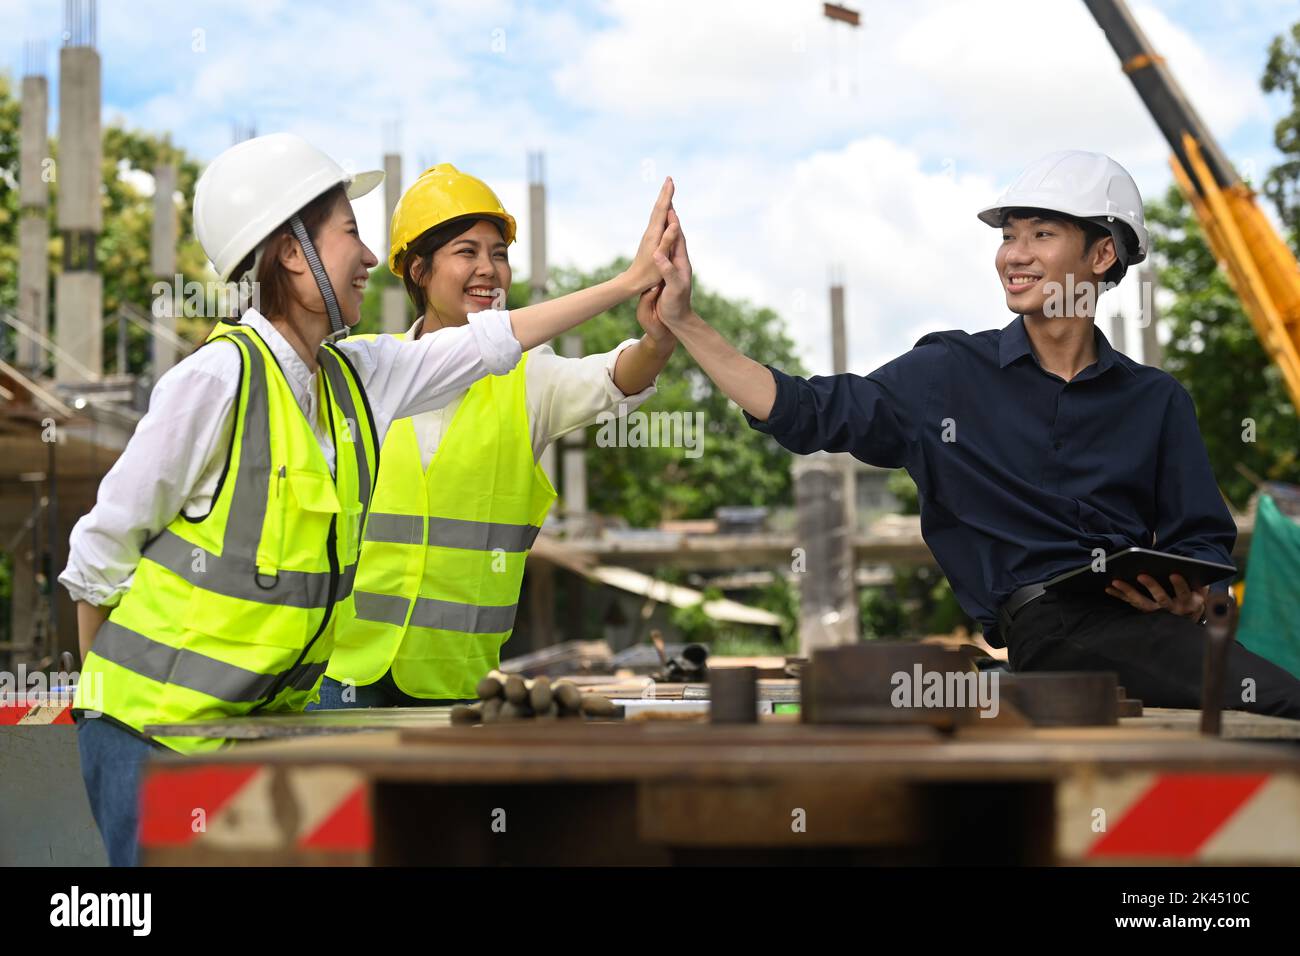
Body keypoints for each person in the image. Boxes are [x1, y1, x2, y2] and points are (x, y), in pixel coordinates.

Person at [58, 133, 679, 864]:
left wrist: (627, 285)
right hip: (152, 732)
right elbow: (99, 551)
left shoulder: (357, 379)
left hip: (261, 723)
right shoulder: (217, 380)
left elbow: (491, 344)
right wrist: (108, 715)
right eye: (350, 231)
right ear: (292, 253)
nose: (367, 257)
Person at [645, 150, 1300, 719]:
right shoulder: (946, 376)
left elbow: (1203, 542)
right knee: (1286, 701)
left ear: (1102, 254)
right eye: (1009, 236)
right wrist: (686, 321)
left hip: (1152, 633)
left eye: (1040, 234)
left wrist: (1191, 597)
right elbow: (808, 411)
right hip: (1051, 626)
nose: (1013, 255)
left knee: (1277, 697)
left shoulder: (1157, 401)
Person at [314, 164, 676, 708]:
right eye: (467, 252)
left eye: (499, 254)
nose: (489, 269)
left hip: (458, 688)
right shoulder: (365, 369)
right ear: (418, 269)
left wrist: (659, 340)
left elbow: (615, 376)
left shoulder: (530, 377)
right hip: (337, 676)